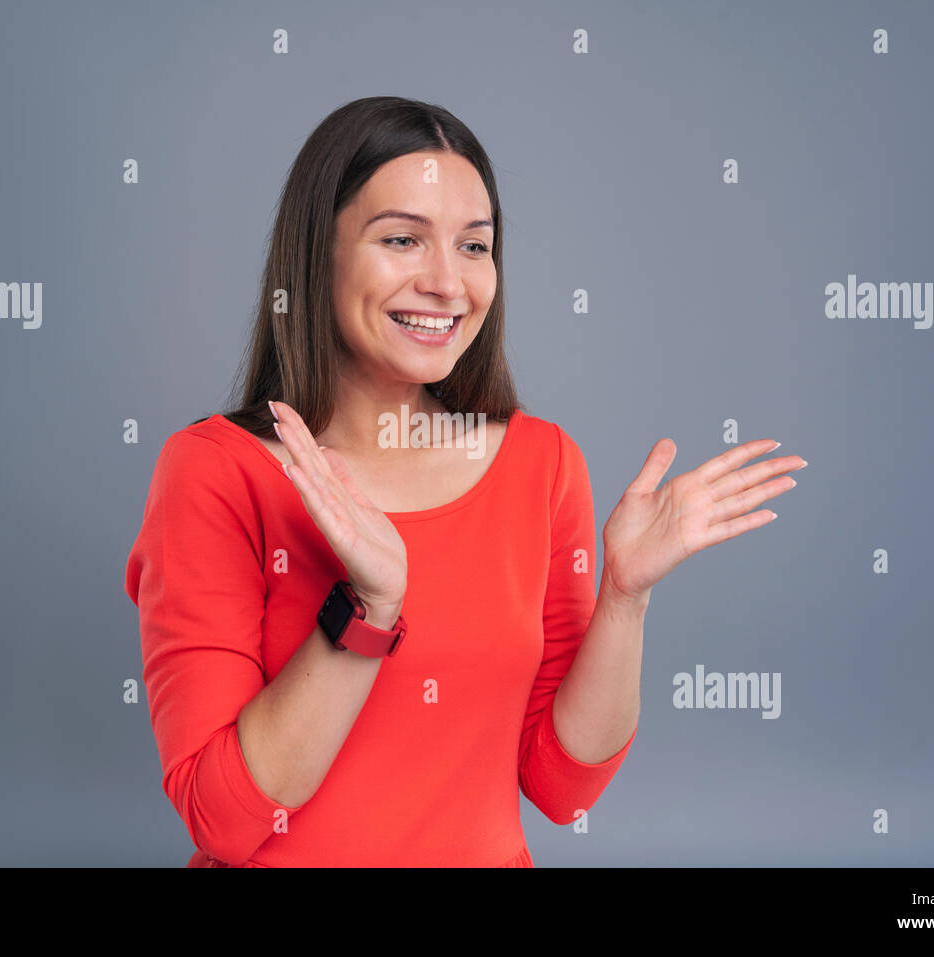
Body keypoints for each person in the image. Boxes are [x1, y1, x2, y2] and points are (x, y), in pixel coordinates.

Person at [123, 96, 805, 867]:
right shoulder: (217, 471)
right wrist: (366, 610)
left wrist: (625, 598)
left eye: (474, 247)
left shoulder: (541, 464)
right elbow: (223, 819)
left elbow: (559, 787)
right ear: (319, 254)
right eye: (403, 239)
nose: (448, 282)